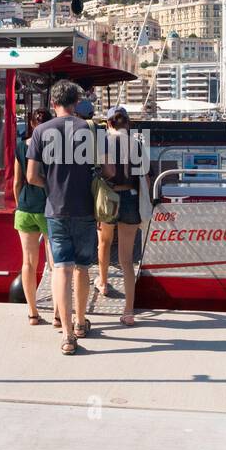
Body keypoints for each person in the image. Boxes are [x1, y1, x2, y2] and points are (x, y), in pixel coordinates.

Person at [27, 80, 97, 355]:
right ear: (76, 102)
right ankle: (80, 322)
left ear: (53, 103)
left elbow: (31, 176)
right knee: (82, 268)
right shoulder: (89, 129)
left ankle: (67, 335)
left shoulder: (40, 131)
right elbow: (106, 169)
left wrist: (51, 186)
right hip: (85, 208)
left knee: (61, 268)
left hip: (55, 209)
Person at [97, 105, 141, 326]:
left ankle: (103, 283)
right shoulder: (136, 144)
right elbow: (145, 175)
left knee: (104, 242)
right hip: (131, 198)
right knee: (127, 260)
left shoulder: (103, 142)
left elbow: (103, 171)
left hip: (109, 198)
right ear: (128, 123)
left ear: (108, 123)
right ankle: (129, 311)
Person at [13, 108, 51, 326]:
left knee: (28, 262)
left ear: (31, 124)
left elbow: (17, 182)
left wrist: (20, 204)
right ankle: (58, 315)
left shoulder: (21, 146)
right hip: (48, 207)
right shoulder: (53, 148)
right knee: (55, 264)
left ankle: (33, 313)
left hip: (26, 207)